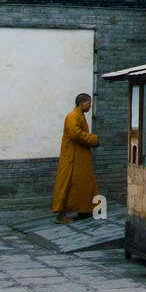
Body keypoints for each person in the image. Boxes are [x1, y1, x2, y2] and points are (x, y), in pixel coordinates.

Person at [52, 94, 100, 223]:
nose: (90, 106)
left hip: (79, 156)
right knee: (67, 184)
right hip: (72, 158)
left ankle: (86, 210)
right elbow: (75, 134)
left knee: (84, 183)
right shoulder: (72, 116)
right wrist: (93, 139)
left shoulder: (79, 115)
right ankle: (61, 216)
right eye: (89, 103)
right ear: (82, 103)